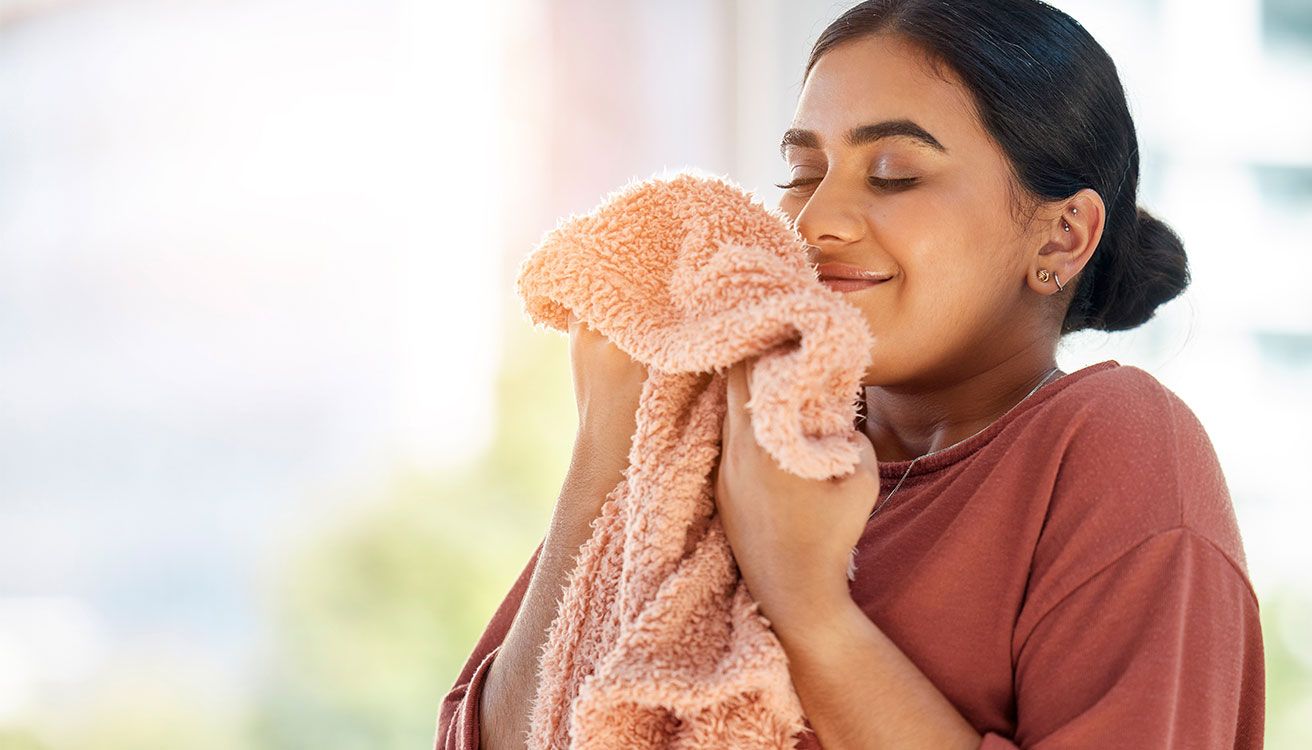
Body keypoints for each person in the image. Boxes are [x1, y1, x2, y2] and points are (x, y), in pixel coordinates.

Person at [435, 1, 1264, 748]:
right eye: (803, 173)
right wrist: (604, 455)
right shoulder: (734, 422)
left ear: (1060, 237)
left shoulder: (1116, 443)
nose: (817, 220)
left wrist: (810, 610)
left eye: (894, 174)